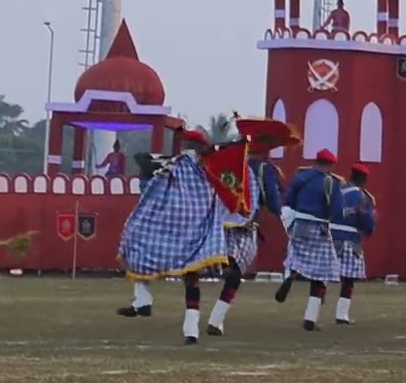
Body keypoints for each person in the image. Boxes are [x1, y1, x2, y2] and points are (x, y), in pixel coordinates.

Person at [116, 132, 247, 344]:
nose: (190, 146)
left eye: (192, 143)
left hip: (191, 224)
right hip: (195, 225)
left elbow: (154, 172)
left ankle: (184, 325)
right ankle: (182, 324)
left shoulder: (201, 163)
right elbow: (151, 166)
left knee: (138, 242)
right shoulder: (192, 162)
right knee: (185, 273)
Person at [205, 116, 296, 337]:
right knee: (236, 275)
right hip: (245, 225)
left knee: (227, 268)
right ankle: (216, 318)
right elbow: (273, 202)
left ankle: (219, 270)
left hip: (220, 222)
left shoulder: (231, 162)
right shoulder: (266, 170)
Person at [117, 128, 211, 322]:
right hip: (198, 223)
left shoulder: (179, 164)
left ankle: (143, 301)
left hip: (173, 222)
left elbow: (147, 166)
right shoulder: (206, 166)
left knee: (136, 243)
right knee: (191, 274)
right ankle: (187, 325)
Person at [276, 149, 346, 331]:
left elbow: (288, 200)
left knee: (294, 256)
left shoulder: (301, 177)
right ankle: (310, 318)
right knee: (322, 273)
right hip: (319, 227)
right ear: (330, 165)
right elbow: (337, 211)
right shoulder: (331, 182)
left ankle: (290, 273)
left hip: (298, 223)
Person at [333, 163, 377, 325]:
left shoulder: (336, 191)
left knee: (322, 274)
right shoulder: (363, 197)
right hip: (350, 239)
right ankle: (341, 314)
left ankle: (315, 304)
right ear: (364, 179)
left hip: (330, 236)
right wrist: (369, 229)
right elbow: (367, 222)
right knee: (349, 278)